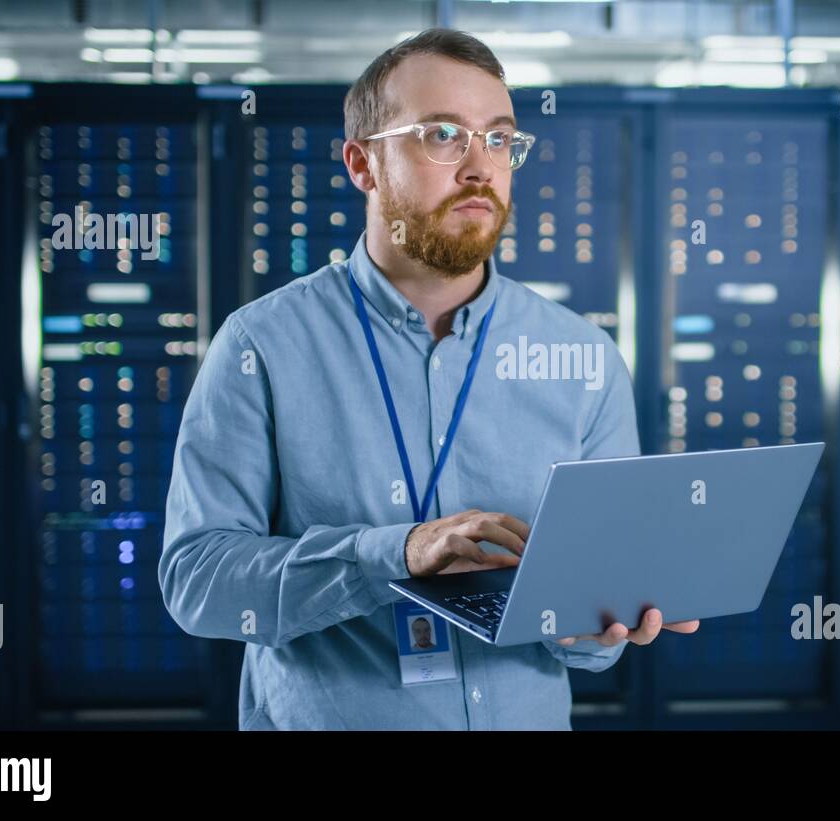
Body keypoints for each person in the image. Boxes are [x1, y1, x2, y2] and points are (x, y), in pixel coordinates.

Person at [159, 27, 698, 730]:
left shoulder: (583, 356)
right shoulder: (262, 346)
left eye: (500, 140)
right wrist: (395, 552)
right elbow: (198, 582)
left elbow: (588, 642)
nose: (481, 166)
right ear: (363, 165)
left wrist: (599, 627)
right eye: (444, 135)